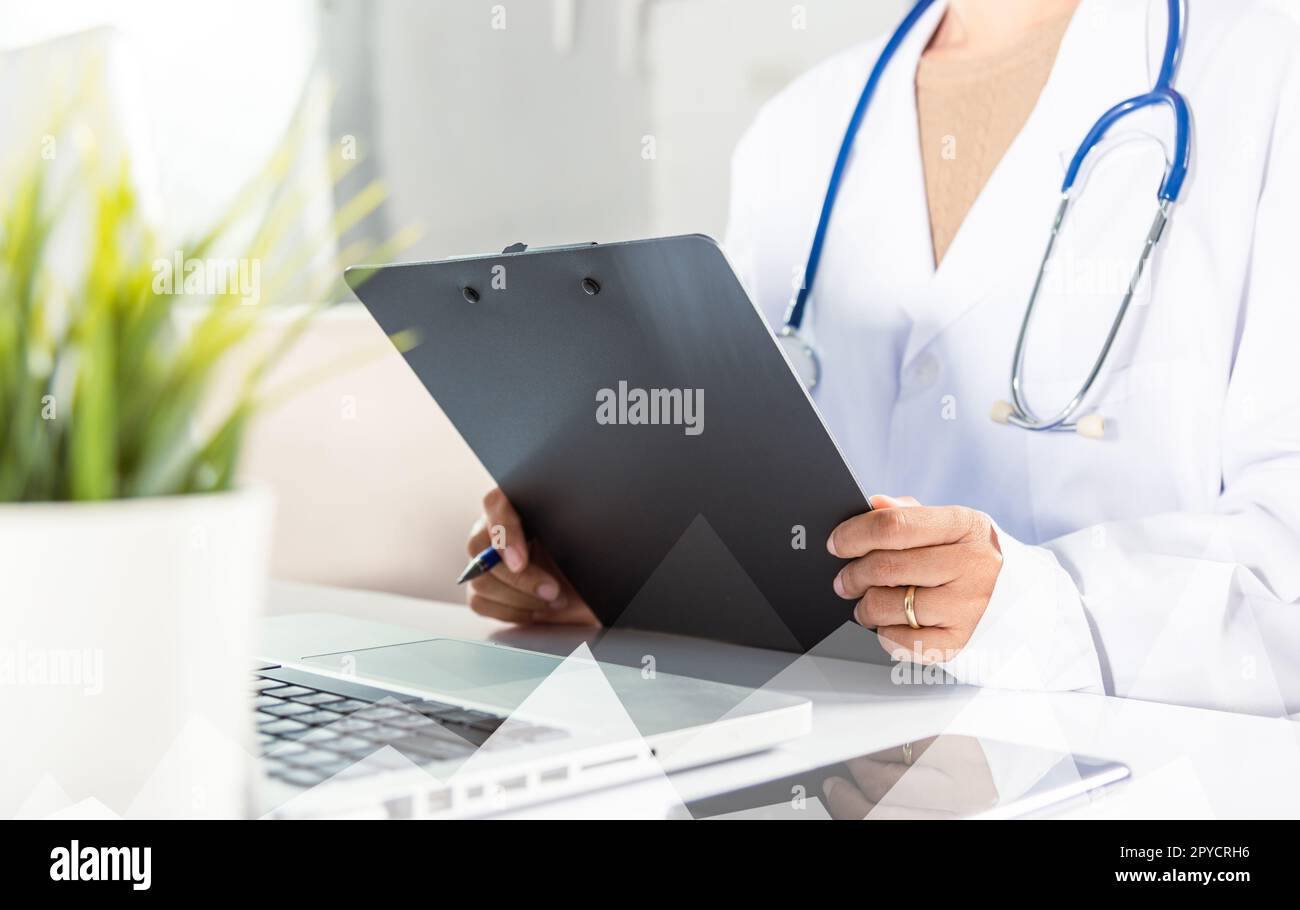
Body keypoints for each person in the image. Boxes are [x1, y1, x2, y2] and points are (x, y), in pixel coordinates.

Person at [464, 0, 1300, 716]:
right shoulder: (798, 130)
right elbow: (746, 497)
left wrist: (1029, 611)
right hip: (823, 760)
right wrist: (626, 577)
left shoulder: (1267, 68)